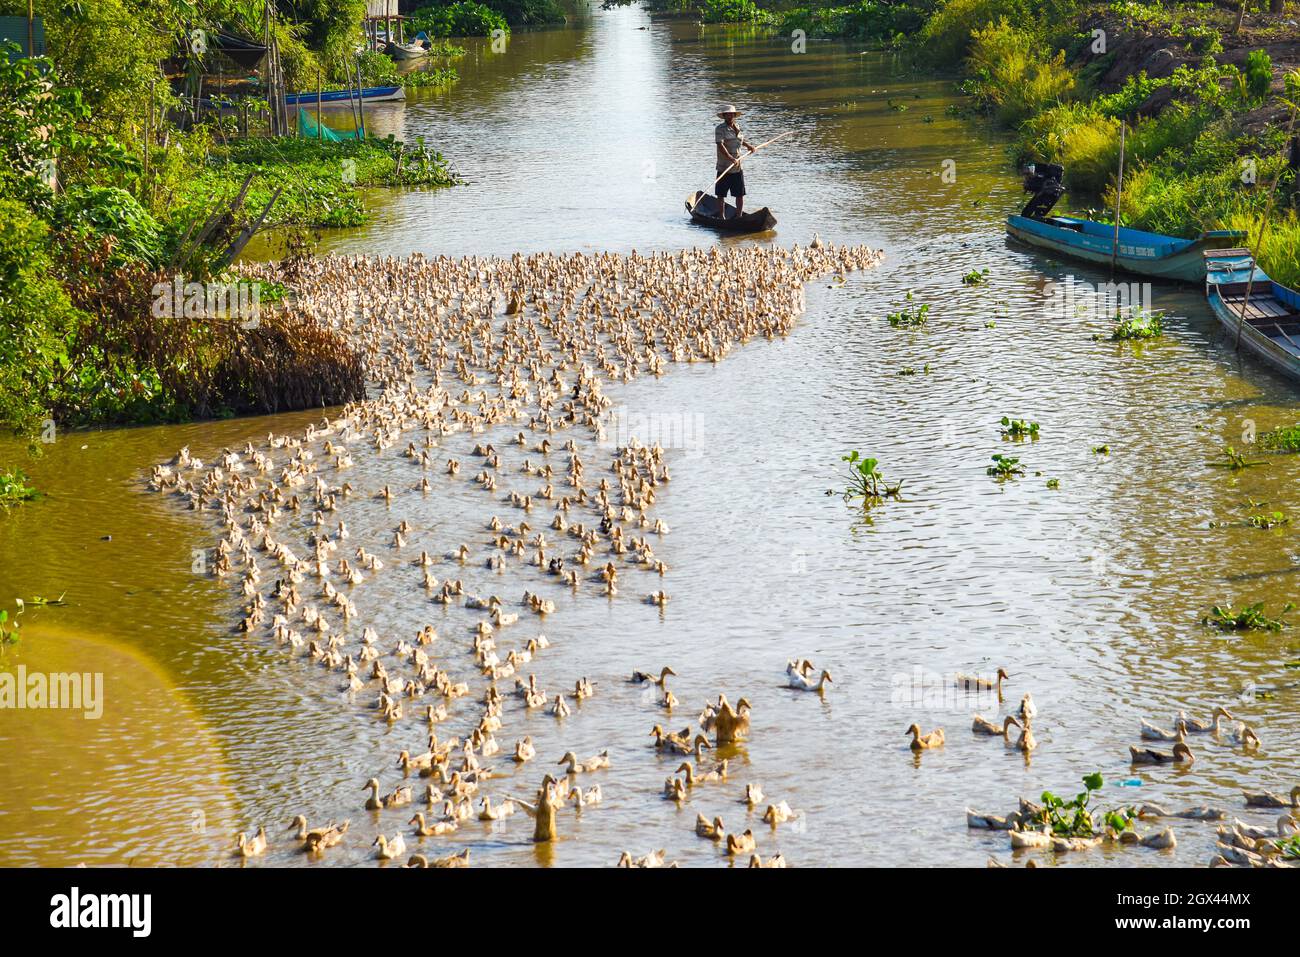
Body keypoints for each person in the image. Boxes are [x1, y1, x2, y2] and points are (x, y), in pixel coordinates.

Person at [714, 105, 756, 219]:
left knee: (740, 194)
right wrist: (730, 158)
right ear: (724, 116)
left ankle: (739, 217)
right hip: (724, 167)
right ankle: (721, 217)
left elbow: (740, 140)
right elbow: (720, 144)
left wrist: (749, 146)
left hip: (737, 166)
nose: (730, 116)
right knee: (721, 194)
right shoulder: (720, 129)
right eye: (727, 114)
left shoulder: (737, 126)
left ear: (734, 115)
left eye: (731, 114)